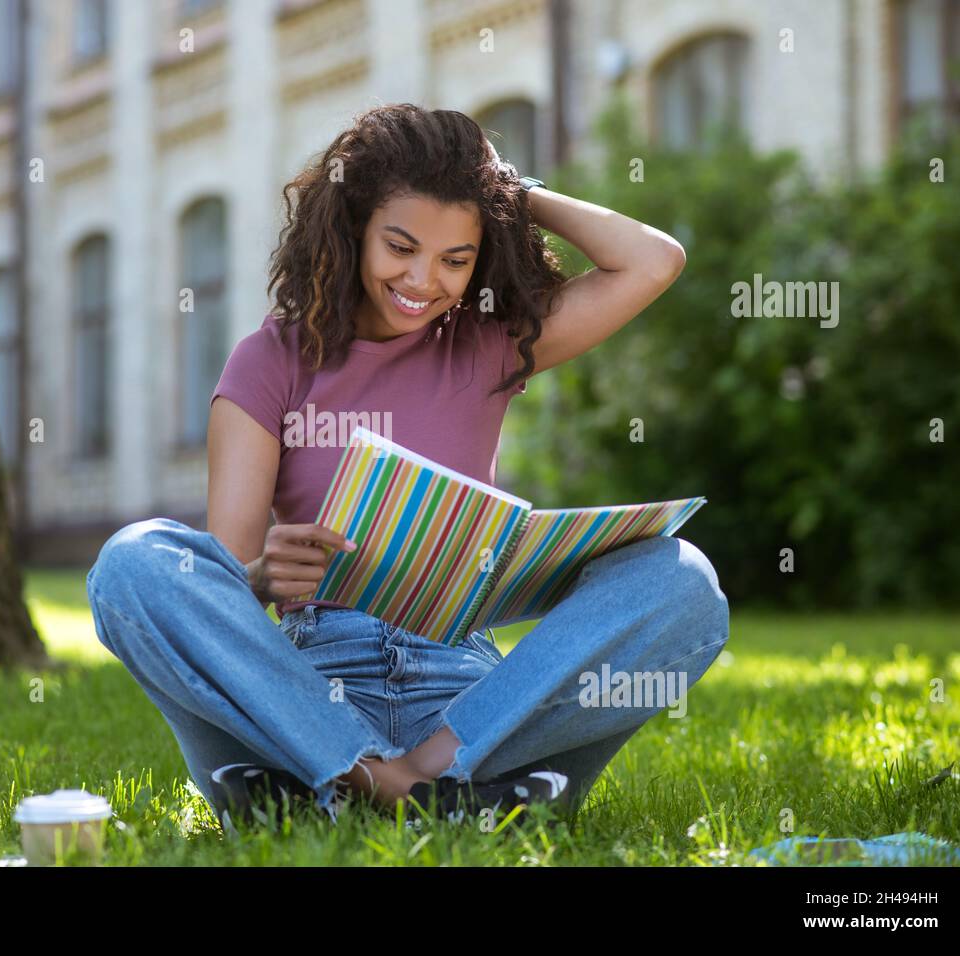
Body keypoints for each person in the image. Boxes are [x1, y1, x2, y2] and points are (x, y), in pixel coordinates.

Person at [87, 104, 729, 833]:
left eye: (456, 259)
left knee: (685, 582)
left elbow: (653, 260)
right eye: (401, 247)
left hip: (463, 699)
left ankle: (391, 781)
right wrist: (264, 575)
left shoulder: (487, 343)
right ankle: (400, 783)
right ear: (354, 225)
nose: (424, 281)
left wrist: (510, 194)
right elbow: (225, 589)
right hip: (306, 687)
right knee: (132, 562)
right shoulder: (269, 362)